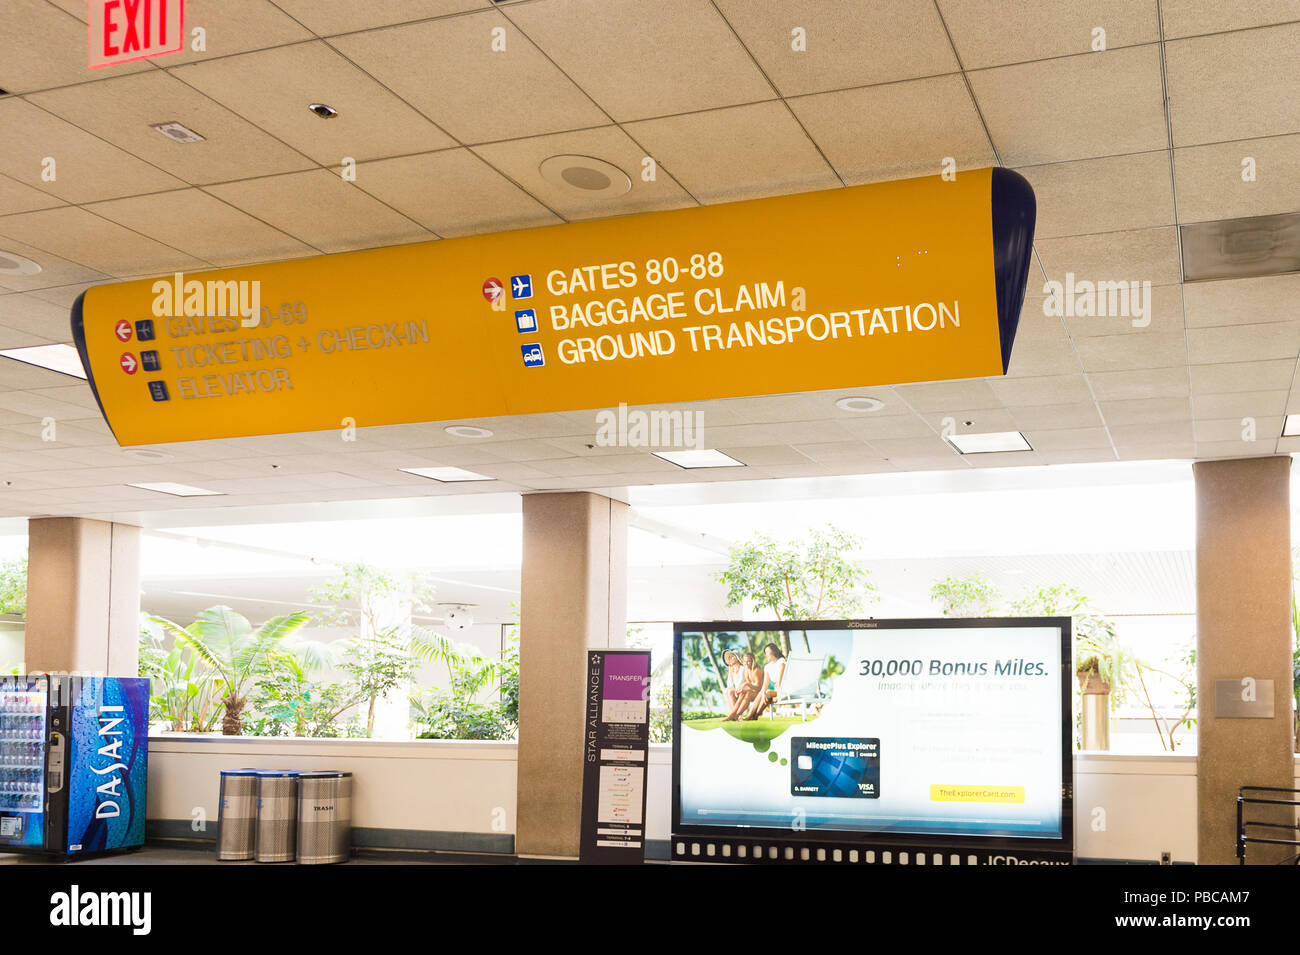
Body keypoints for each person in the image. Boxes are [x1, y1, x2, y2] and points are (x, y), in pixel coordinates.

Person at [745, 643, 787, 720]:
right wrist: (763, 693)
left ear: (774, 651)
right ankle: (752, 716)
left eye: (767, 652)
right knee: (763, 692)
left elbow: (781, 683)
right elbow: (765, 685)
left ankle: (753, 716)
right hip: (776, 691)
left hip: (784, 691)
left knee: (767, 693)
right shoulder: (767, 667)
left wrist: (778, 695)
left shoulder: (781, 662)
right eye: (765, 653)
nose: (766, 655)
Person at [723, 652, 763, 721]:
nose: (746, 663)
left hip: (762, 692)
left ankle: (734, 715)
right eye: (745, 661)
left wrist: (746, 685)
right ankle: (735, 715)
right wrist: (744, 689)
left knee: (747, 693)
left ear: (753, 661)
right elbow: (748, 684)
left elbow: (759, 688)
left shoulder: (756, 670)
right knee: (742, 692)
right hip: (753, 691)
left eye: (749, 661)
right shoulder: (747, 670)